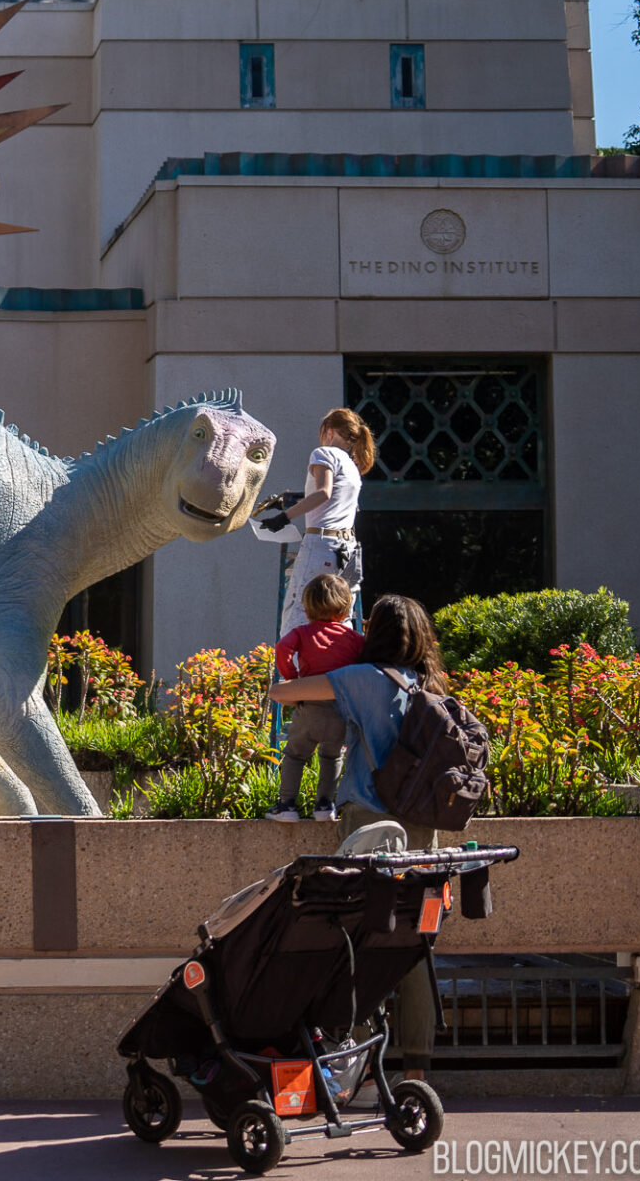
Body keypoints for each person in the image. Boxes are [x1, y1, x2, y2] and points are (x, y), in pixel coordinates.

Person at [267, 593, 449, 1083]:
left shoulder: (361, 680)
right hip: (421, 826)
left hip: (368, 821)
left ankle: (362, 1071)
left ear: (376, 634)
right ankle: (415, 1074)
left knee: (360, 939)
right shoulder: (429, 685)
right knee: (414, 941)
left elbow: (281, 695)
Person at [258, 408, 374, 637]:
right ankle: (338, 668)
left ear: (329, 432)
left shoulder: (324, 454)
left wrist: (285, 517)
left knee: (298, 613)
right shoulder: (353, 466)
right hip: (348, 549)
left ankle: (296, 672)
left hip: (322, 546)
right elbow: (333, 498)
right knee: (341, 617)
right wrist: (292, 500)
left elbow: (323, 493)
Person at [264, 573, 363, 822]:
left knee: (296, 755)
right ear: (345, 608)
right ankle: (325, 805)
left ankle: (286, 805)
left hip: (309, 707)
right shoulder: (353, 639)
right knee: (332, 756)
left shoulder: (302, 633)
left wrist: (294, 678)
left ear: (307, 608)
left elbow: (283, 648)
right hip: (341, 710)